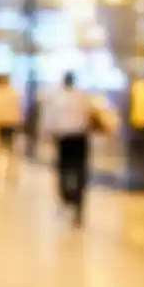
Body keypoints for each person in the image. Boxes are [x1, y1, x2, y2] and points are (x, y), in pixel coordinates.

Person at [42, 72, 100, 227]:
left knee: (64, 169)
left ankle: (67, 197)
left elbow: (50, 121)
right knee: (79, 170)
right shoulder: (82, 97)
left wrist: (49, 136)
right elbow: (91, 116)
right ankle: (77, 201)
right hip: (80, 138)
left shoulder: (57, 99)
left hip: (65, 138)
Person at [0, 76, 24, 181]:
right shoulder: (11, 94)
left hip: (4, 121)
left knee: (5, 140)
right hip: (7, 121)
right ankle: (6, 153)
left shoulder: (3, 94)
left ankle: (6, 153)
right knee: (6, 140)